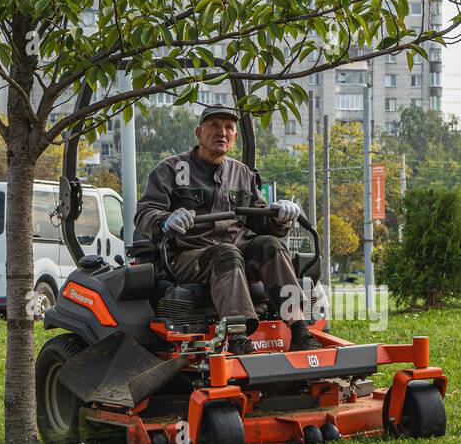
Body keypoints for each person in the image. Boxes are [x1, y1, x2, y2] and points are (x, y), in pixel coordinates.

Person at [134, 104, 321, 355]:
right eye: (213, 126)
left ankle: (300, 329)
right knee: (226, 252)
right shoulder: (170, 170)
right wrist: (166, 220)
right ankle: (238, 338)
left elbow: (261, 221)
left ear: (234, 137)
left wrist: (280, 217)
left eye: (228, 128)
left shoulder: (242, 174)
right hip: (188, 256)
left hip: (233, 252)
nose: (221, 132)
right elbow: (145, 213)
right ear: (199, 133)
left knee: (270, 246)